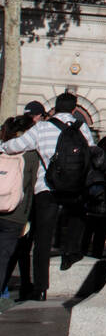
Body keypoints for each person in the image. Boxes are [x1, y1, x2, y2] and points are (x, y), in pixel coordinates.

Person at [0, 92, 95, 300]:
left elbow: (16, 146)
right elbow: (92, 151)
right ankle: (70, 253)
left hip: (46, 188)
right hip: (74, 188)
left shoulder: (41, 128)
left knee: (42, 238)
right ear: (73, 110)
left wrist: (2, 147)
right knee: (77, 217)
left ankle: (40, 287)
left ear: (54, 110)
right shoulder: (82, 128)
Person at [0, 117, 38, 302]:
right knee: (4, 257)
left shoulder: (2, 149)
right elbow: (31, 188)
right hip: (15, 215)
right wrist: (27, 217)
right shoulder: (30, 155)